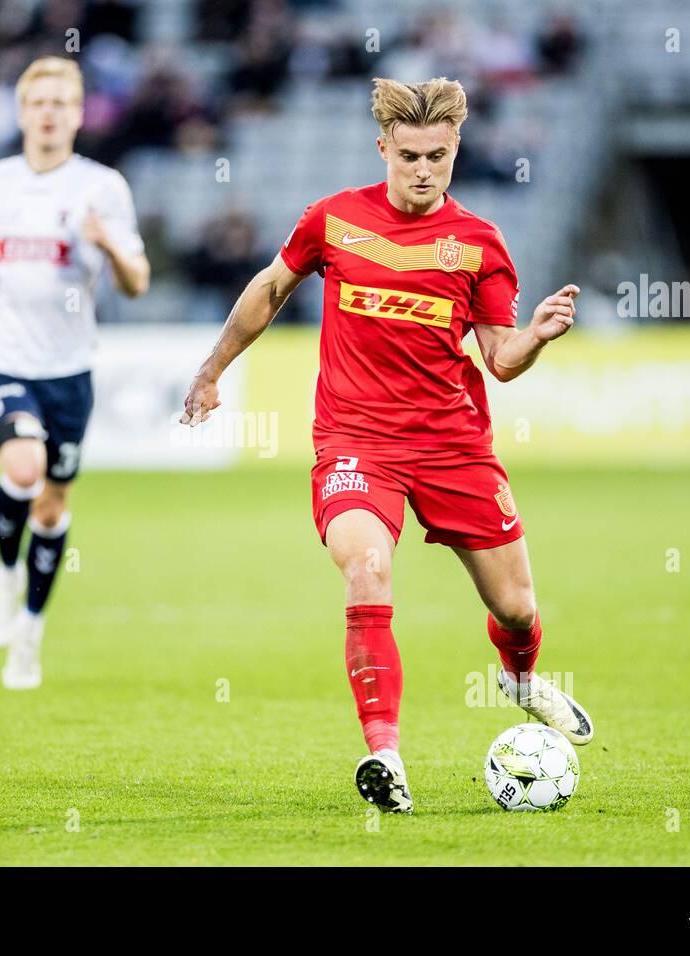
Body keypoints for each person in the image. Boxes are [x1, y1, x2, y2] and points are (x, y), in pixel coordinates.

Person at [180, 76, 594, 813]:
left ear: (456, 148)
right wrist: (212, 371)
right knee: (367, 569)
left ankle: (523, 678)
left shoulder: (478, 246)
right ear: (384, 149)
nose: (424, 170)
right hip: (355, 440)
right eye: (409, 156)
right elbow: (271, 288)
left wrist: (532, 337)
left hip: (452, 445)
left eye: (437, 155)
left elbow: (498, 358)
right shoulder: (335, 220)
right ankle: (385, 755)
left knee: (519, 611)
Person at [0, 56, 149, 690]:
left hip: (70, 367)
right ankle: (6, 577)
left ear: (79, 113)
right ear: (21, 112)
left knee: (54, 508)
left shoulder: (102, 187)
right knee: (24, 467)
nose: (50, 112)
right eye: (39, 103)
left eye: (62, 102)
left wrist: (111, 244)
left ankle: (29, 631)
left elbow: (137, 282)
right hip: (1, 355)